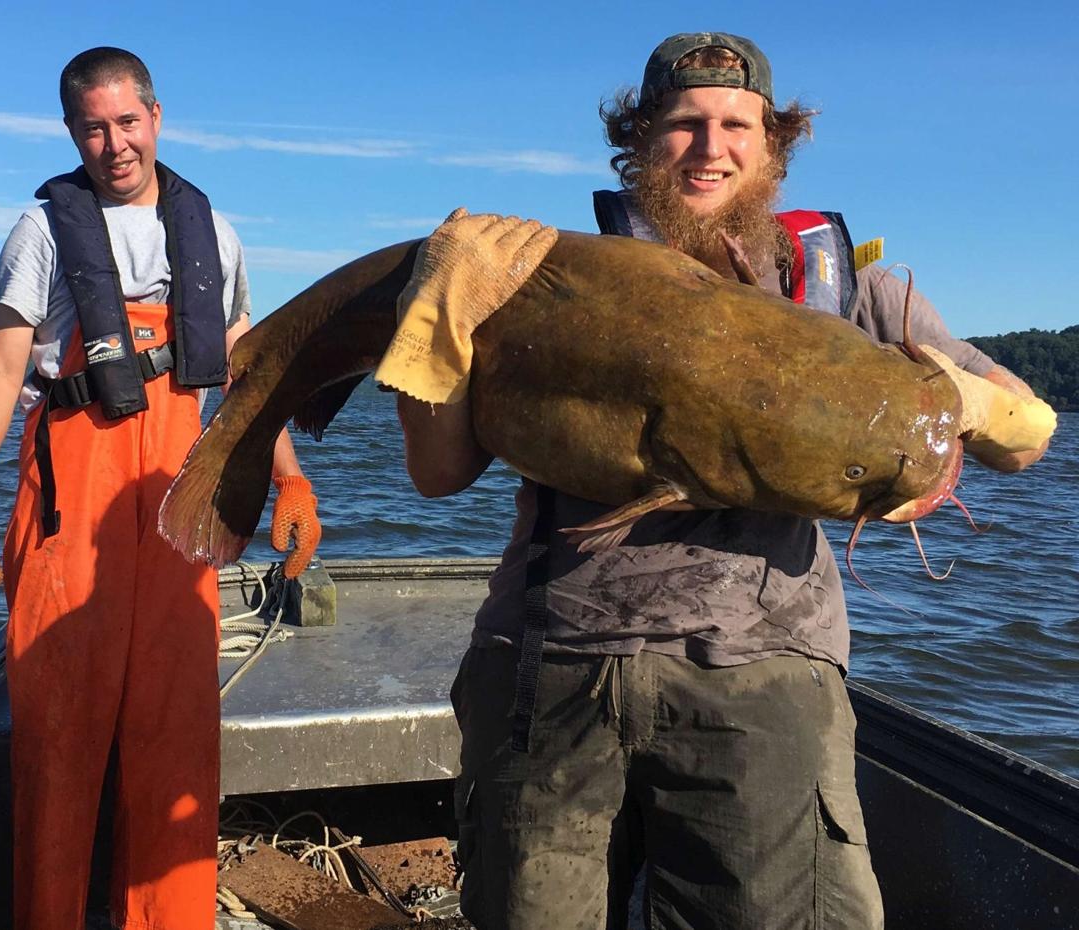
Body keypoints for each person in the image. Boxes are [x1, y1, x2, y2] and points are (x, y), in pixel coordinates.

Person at [385, 33, 1052, 930]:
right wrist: (434, 322)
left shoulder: (855, 292)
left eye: (738, 124)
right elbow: (438, 475)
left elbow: (1028, 438)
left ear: (774, 143)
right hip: (555, 661)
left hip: (763, 676)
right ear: (638, 141)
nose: (711, 147)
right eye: (683, 123)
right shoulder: (546, 281)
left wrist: (953, 399)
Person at [0, 47, 321, 930]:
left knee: (174, 737)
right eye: (93, 128)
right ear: (72, 132)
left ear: (156, 116)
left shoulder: (210, 231)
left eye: (127, 122)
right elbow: (0, 361)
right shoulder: (41, 228)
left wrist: (291, 478)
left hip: (181, 504)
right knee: (61, 738)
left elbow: (246, 368)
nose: (114, 145)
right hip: (71, 497)